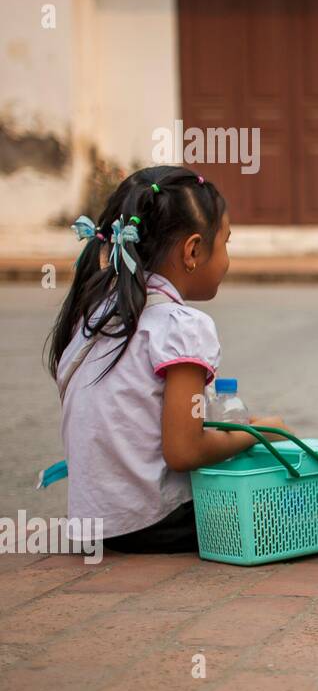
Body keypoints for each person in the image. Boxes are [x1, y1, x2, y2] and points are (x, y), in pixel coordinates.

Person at [47, 166, 288, 553]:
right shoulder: (182, 326)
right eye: (226, 243)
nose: (227, 259)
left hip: (93, 522)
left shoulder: (93, 313)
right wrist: (258, 432)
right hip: (151, 523)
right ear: (193, 251)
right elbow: (184, 451)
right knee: (302, 510)